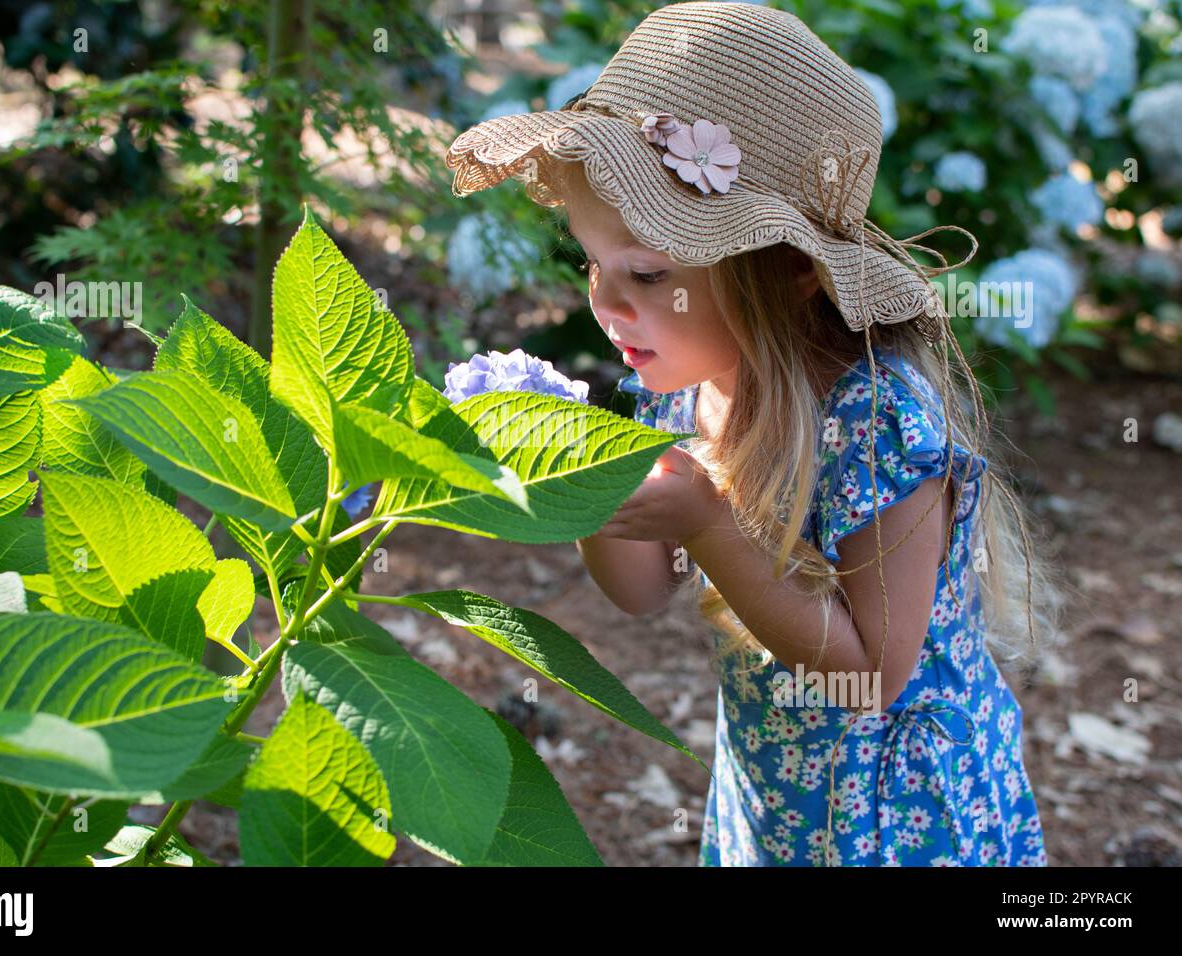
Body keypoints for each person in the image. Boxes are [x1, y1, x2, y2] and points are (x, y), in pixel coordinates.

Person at [445, 2, 1063, 866]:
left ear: (794, 271)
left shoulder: (877, 423)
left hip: (904, 813)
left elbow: (871, 675)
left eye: (649, 274)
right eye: (592, 263)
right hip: (775, 790)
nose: (606, 304)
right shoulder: (679, 387)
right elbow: (640, 591)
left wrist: (708, 522)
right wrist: (577, 481)